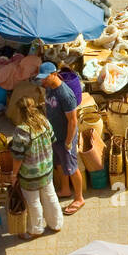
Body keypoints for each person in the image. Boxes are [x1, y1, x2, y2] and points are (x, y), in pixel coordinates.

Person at [33, 62, 84, 215]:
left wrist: (69, 142)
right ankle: (65, 189)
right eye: (41, 78)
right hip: (54, 135)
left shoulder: (65, 95)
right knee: (59, 164)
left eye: (45, 77)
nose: (43, 81)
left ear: (54, 74)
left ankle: (79, 198)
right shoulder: (48, 87)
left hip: (65, 136)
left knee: (71, 167)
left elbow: (73, 121)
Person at [9, 96, 63, 238]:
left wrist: (14, 175)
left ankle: (36, 229)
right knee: (50, 196)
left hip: (30, 175)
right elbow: (52, 140)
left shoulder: (21, 131)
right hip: (46, 170)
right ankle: (56, 224)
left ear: (20, 112)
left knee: (33, 202)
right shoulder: (44, 122)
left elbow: (18, 157)